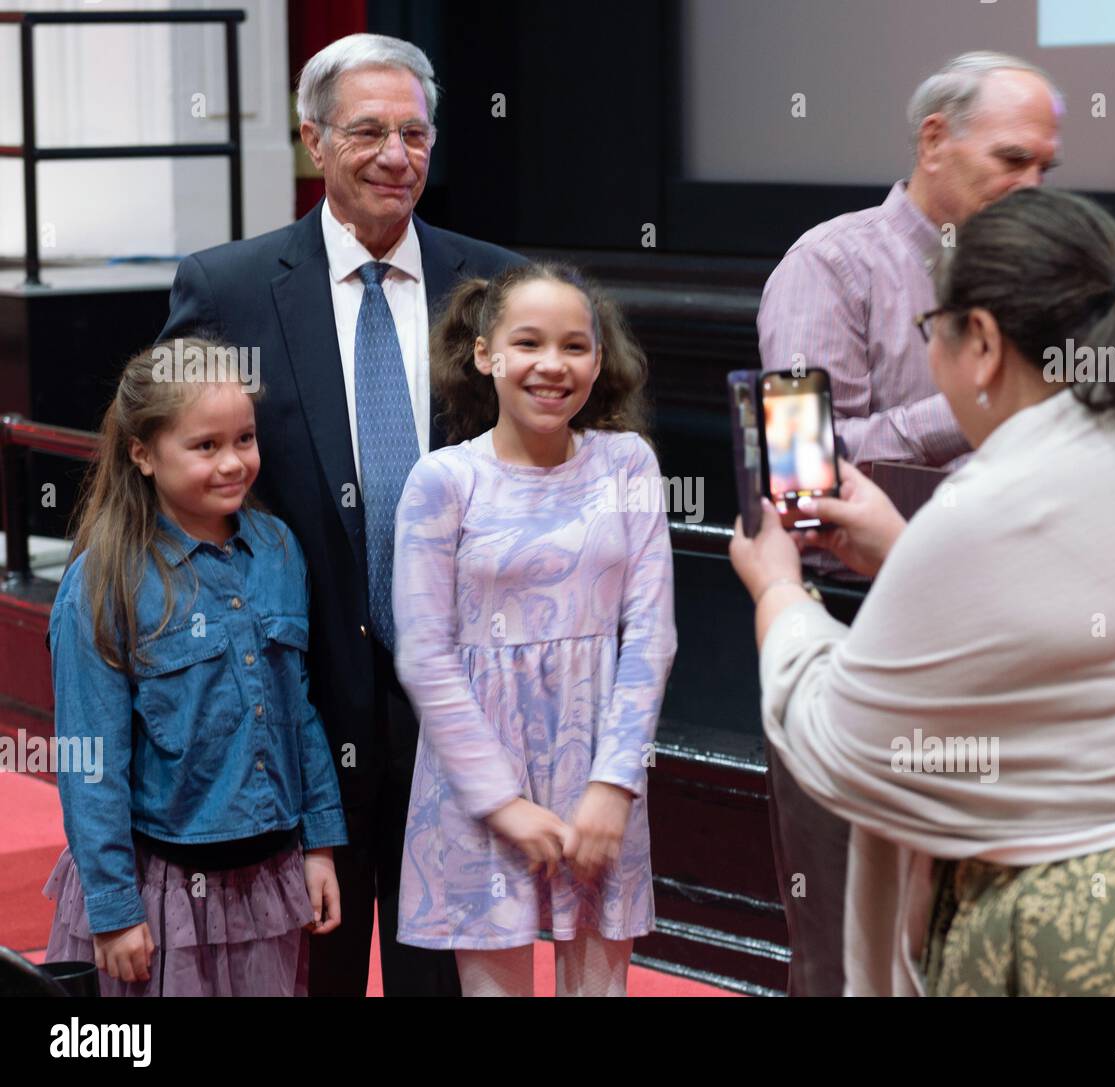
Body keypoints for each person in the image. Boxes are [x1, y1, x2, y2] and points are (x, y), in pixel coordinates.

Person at [730, 187, 1115, 995]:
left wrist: (779, 592)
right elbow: (1102, 623)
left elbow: (842, 745)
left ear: (985, 342)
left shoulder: (998, 501)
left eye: (937, 334)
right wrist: (903, 548)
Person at [157, 33, 524, 996]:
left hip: (456, 711)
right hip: (288, 710)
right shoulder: (227, 289)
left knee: (441, 979)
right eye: (368, 131)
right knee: (301, 975)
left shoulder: (495, 288)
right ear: (313, 139)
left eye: (415, 132)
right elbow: (166, 471)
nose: (396, 155)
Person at [754, 49, 1064, 997]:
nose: (1033, 185)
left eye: (1048, 168)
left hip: (1016, 632)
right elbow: (800, 475)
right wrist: (978, 393)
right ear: (935, 140)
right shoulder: (831, 262)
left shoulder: (1043, 276)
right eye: (1013, 159)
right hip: (853, 630)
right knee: (851, 947)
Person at [391, 263, 677, 996]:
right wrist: (501, 799)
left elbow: (651, 635)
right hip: (479, 777)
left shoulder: (628, 463)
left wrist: (614, 784)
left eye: (575, 346)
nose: (553, 365)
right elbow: (424, 654)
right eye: (528, 343)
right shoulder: (443, 480)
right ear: (486, 354)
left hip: (598, 766)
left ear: (599, 359)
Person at [42, 342, 347, 996]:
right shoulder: (103, 584)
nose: (234, 461)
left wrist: (319, 845)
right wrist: (115, 910)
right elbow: (87, 760)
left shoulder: (276, 549)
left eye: (244, 438)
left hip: (267, 883)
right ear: (143, 453)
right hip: (159, 897)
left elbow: (300, 710)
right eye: (205, 446)